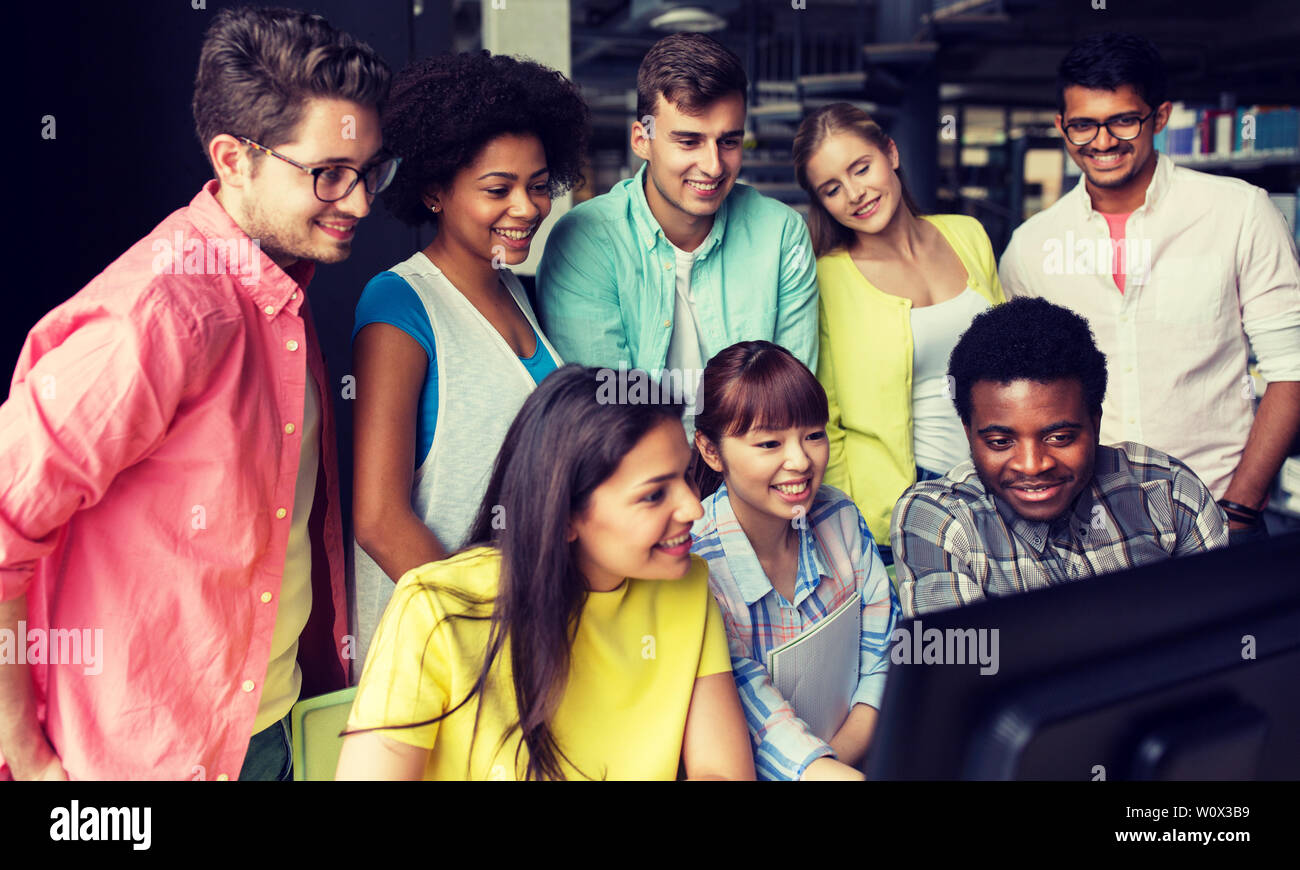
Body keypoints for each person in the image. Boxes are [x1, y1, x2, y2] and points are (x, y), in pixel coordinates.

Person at [0, 7, 393, 780]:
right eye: (328, 175)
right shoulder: (157, 312)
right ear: (233, 158)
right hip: (140, 766)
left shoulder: (279, 288)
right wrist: (25, 756)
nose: (360, 203)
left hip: (270, 729)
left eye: (373, 170)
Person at [336, 365, 755, 780]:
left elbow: (721, 770)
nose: (694, 508)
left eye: (686, 476)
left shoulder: (689, 586)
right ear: (564, 514)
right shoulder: (433, 608)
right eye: (653, 494)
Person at [998, 32, 1300, 547]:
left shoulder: (1240, 213)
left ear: (1159, 117)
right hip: (1084, 529)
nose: (1102, 141)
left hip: (1219, 512)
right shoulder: (1031, 247)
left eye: (1123, 120)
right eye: (1083, 125)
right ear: (1061, 127)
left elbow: (1291, 370)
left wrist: (1241, 510)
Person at [349, 52, 587, 676]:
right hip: (444, 656)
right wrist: (486, 633)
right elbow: (378, 518)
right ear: (434, 189)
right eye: (497, 189)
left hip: (526, 645)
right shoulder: (399, 302)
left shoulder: (517, 291)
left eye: (538, 184)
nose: (528, 207)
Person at [892, 298, 1230, 617]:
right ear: (969, 433)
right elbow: (961, 672)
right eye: (999, 442)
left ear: (1095, 423)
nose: (1032, 464)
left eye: (1059, 438)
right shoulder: (939, 520)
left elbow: (1223, 635)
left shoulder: (1168, 490)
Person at [536, 32, 819, 412]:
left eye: (729, 142)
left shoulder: (782, 234)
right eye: (688, 142)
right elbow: (605, 417)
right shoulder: (585, 240)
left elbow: (789, 405)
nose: (714, 166)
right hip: (637, 468)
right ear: (642, 140)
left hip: (754, 467)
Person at [793, 102, 1005, 564]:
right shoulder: (827, 278)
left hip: (1002, 483)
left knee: (1015, 631)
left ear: (890, 153)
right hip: (902, 506)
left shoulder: (968, 235)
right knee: (928, 635)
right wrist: (850, 519)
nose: (854, 193)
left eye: (861, 168)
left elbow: (1014, 360)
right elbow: (823, 416)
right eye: (831, 188)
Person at [689, 341, 898, 781]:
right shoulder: (695, 569)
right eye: (769, 442)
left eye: (813, 434)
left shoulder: (839, 517)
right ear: (711, 451)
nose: (800, 461)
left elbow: (885, 658)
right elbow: (759, 724)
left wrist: (834, 761)